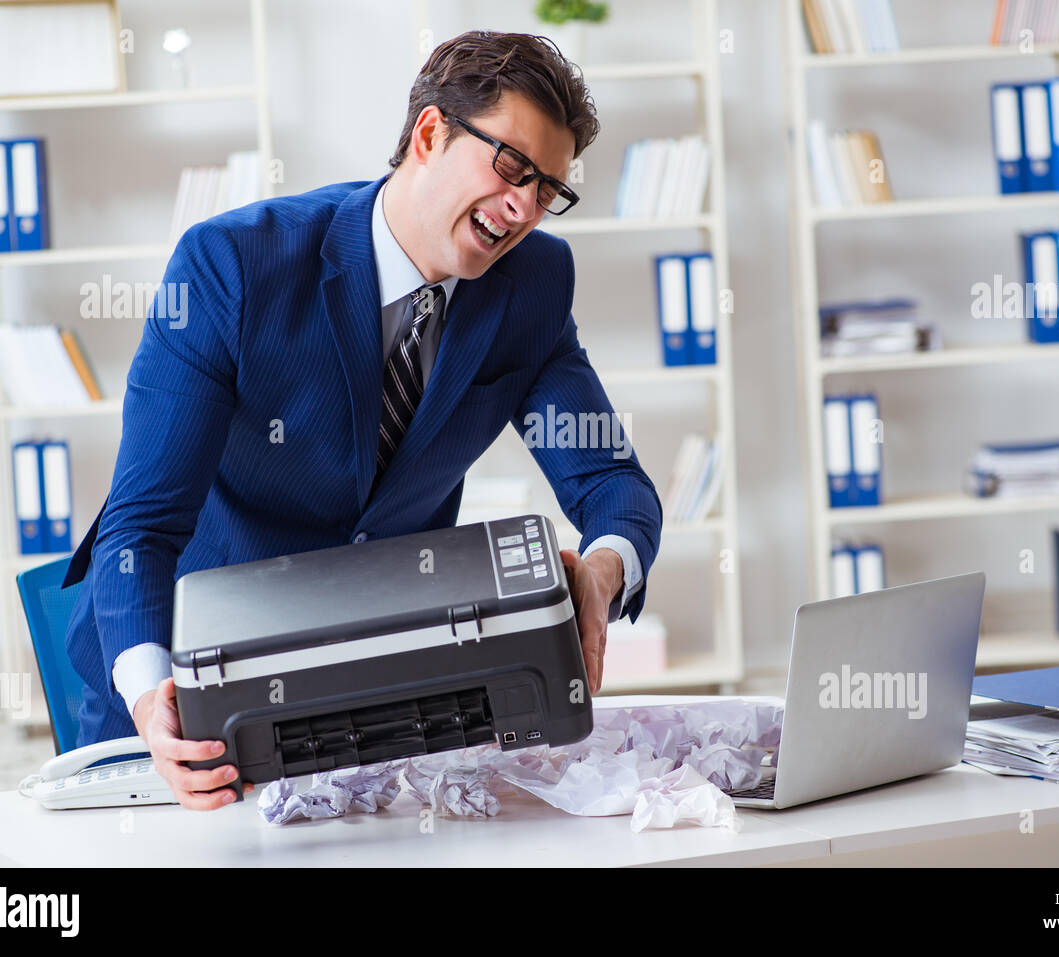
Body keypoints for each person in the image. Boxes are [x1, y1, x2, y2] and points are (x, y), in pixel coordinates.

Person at [59, 31, 662, 809]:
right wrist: (150, 696)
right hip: (184, 689)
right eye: (512, 167)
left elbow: (611, 480)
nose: (524, 208)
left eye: (548, 189)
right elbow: (141, 525)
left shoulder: (530, 286)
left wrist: (602, 572)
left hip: (371, 694)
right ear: (430, 133)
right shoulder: (233, 267)